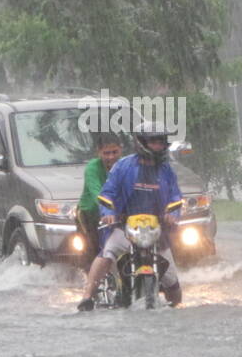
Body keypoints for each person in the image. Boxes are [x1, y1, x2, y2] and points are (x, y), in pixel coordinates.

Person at [77, 123, 184, 311]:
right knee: (106, 254)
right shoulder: (123, 166)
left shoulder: (167, 170)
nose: (158, 145)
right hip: (124, 227)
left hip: (156, 231)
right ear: (141, 143)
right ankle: (87, 297)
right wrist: (109, 214)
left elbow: (176, 196)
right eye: (154, 141)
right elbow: (106, 194)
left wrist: (172, 214)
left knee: (174, 286)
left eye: (161, 141)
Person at [76, 133, 123, 270]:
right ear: (99, 153)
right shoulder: (93, 167)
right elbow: (97, 193)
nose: (111, 157)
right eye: (106, 153)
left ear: (121, 149)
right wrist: (109, 209)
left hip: (117, 212)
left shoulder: (125, 165)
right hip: (90, 212)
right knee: (94, 250)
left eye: (115, 152)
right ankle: (92, 284)